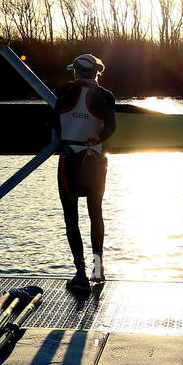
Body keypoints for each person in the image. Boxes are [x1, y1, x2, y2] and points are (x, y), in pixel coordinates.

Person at [51, 53, 115, 291]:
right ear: (97, 73)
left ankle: (79, 273)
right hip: (96, 159)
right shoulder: (107, 96)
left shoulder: (66, 92)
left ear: (77, 72)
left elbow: (56, 123)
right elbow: (111, 129)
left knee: (71, 217)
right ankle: (98, 270)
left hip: (70, 160)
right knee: (95, 213)